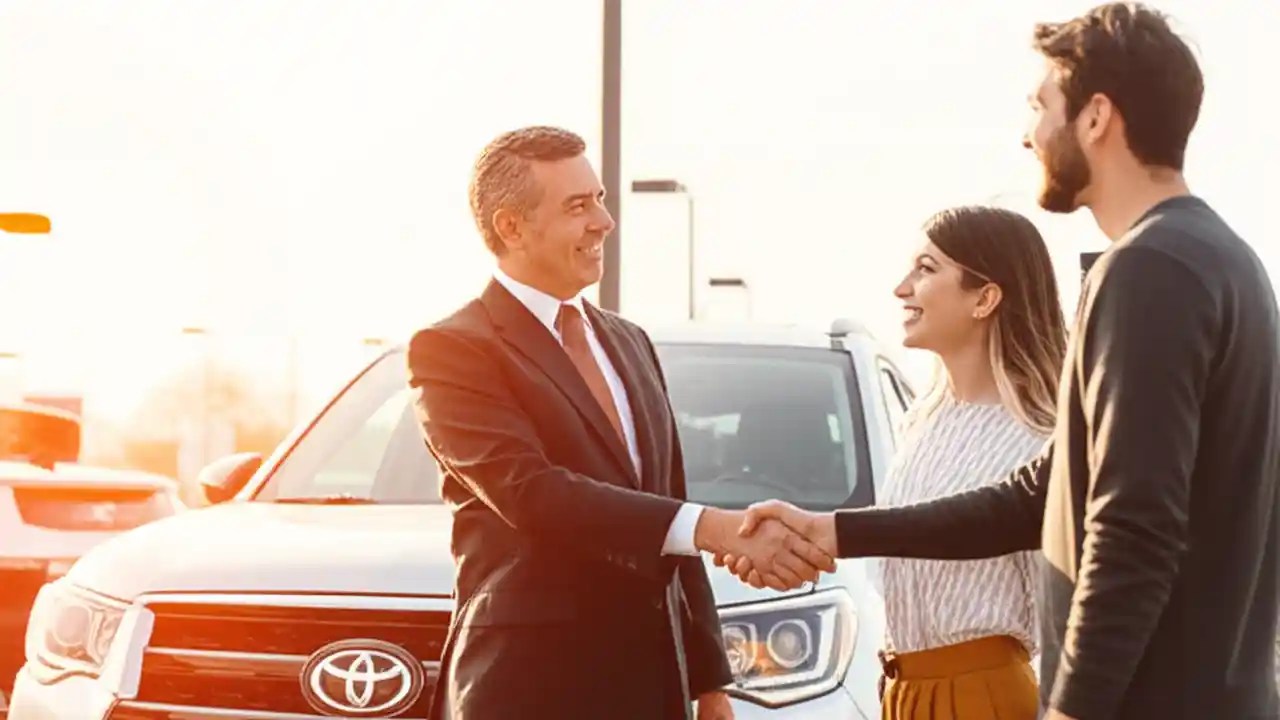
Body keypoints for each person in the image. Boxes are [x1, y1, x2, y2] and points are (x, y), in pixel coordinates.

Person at [723, 4, 1280, 719]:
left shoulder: (1149, 270)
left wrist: (1070, 709)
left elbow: (1134, 526)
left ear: (1096, 117)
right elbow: (1037, 497)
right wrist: (838, 532)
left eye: (1041, 104)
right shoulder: (1231, 265)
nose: (1029, 135)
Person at [407, 126, 833, 720]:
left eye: (601, 199)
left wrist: (712, 683)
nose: (604, 222)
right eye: (578, 206)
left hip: (652, 687)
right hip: (528, 688)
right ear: (511, 227)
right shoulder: (453, 349)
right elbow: (531, 493)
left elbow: (669, 504)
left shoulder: (629, 342)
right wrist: (713, 527)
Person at [879, 206, 1066, 718]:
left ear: (984, 298)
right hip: (903, 692)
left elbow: (1064, 617)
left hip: (985, 699)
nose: (902, 288)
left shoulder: (1041, 439)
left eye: (926, 268)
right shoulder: (920, 420)